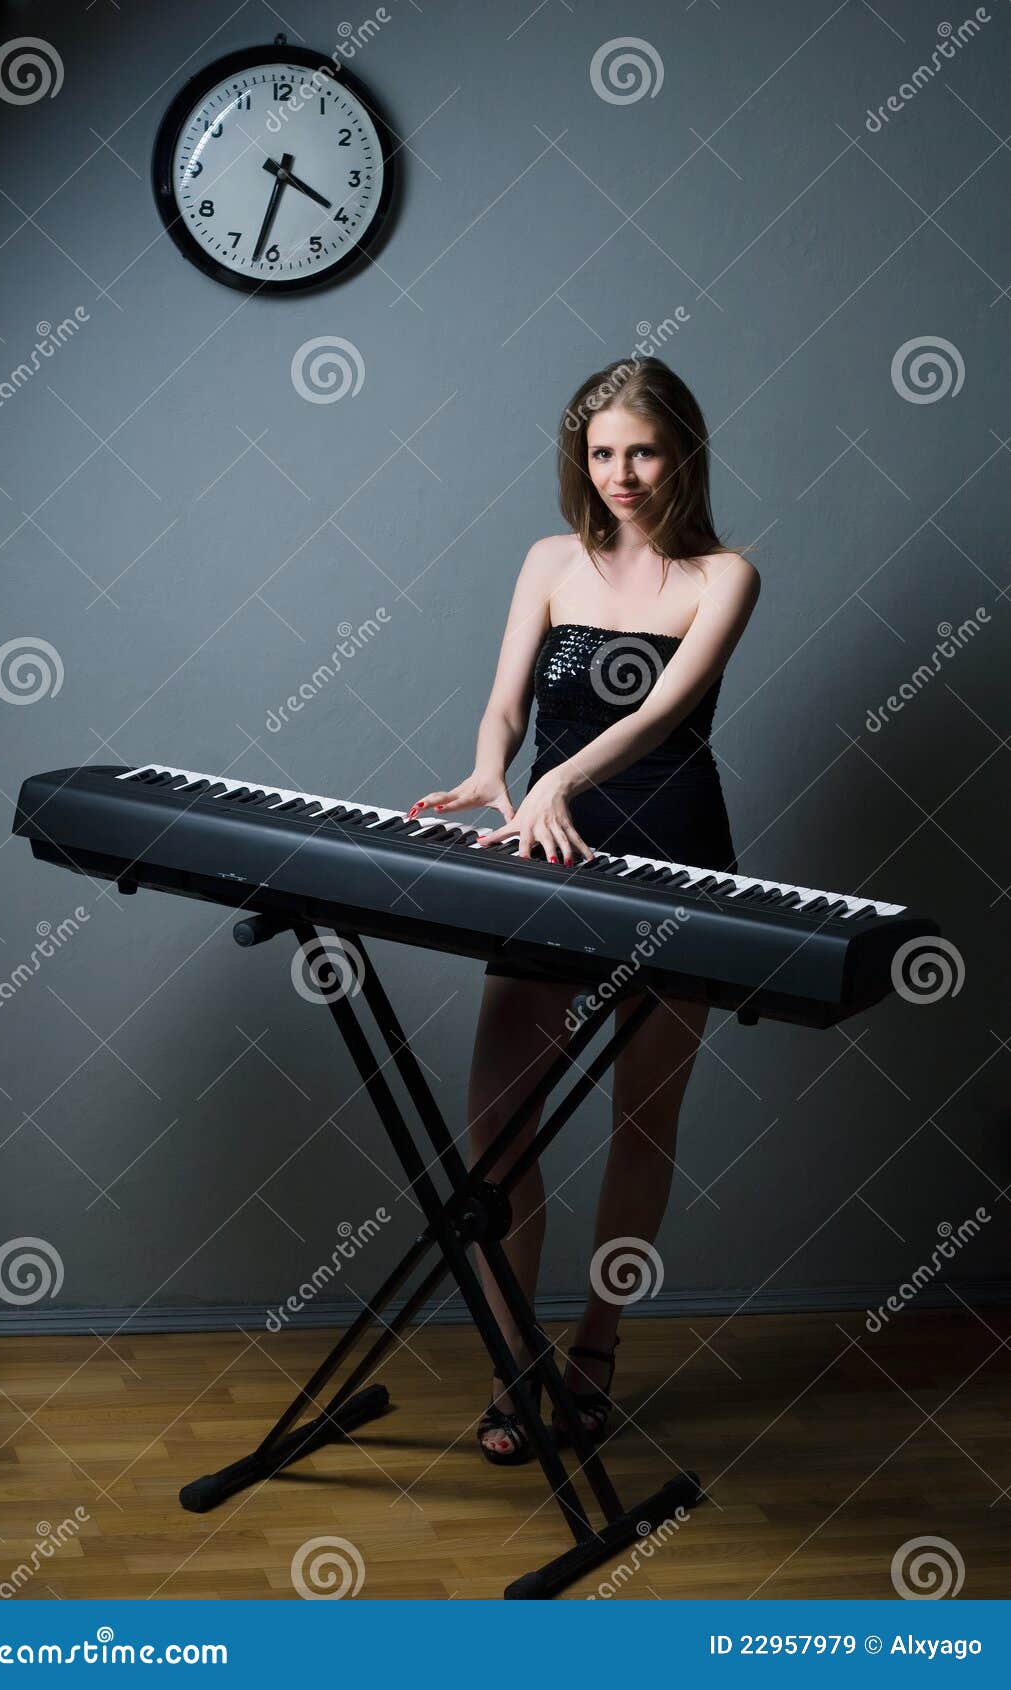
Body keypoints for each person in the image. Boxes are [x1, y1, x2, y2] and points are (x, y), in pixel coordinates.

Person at [405, 357, 760, 1463]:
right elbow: (508, 697)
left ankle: (594, 1349)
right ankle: (513, 1364)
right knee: (498, 1132)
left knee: (640, 1123)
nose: (619, 473)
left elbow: (660, 715)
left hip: (673, 858)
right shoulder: (548, 559)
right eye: (601, 451)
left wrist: (564, 777)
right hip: (549, 854)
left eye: (641, 450)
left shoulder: (723, 576)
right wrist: (492, 768)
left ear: (682, 453)